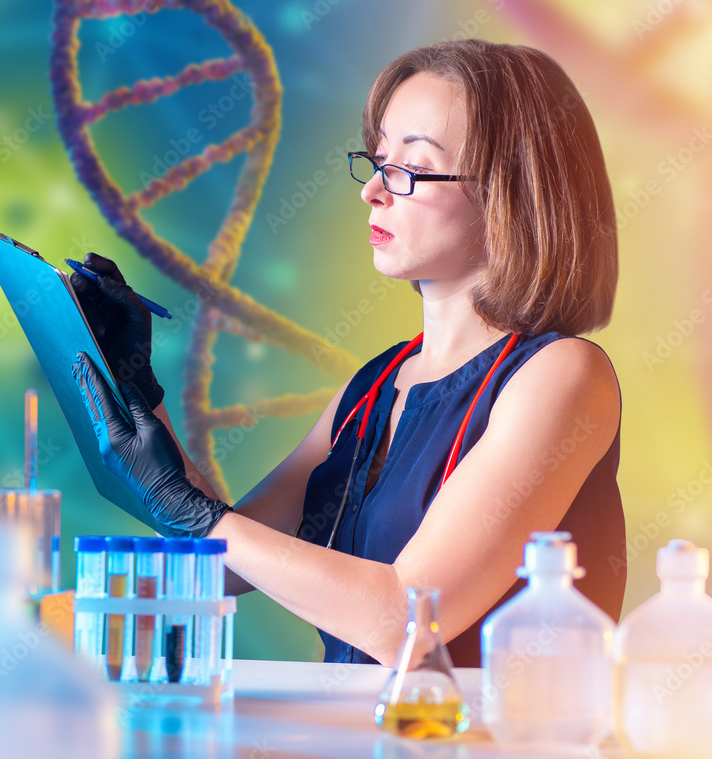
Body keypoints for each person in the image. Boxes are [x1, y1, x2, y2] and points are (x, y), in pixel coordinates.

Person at [71, 38, 625, 668]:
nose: (374, 191)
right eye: (379, 160)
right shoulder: (376, 384)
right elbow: (221, 567)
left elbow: (405, 622)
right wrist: (137, 388)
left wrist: (194, 513)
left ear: (512, 193)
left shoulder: (563, 375)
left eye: (411, 166)